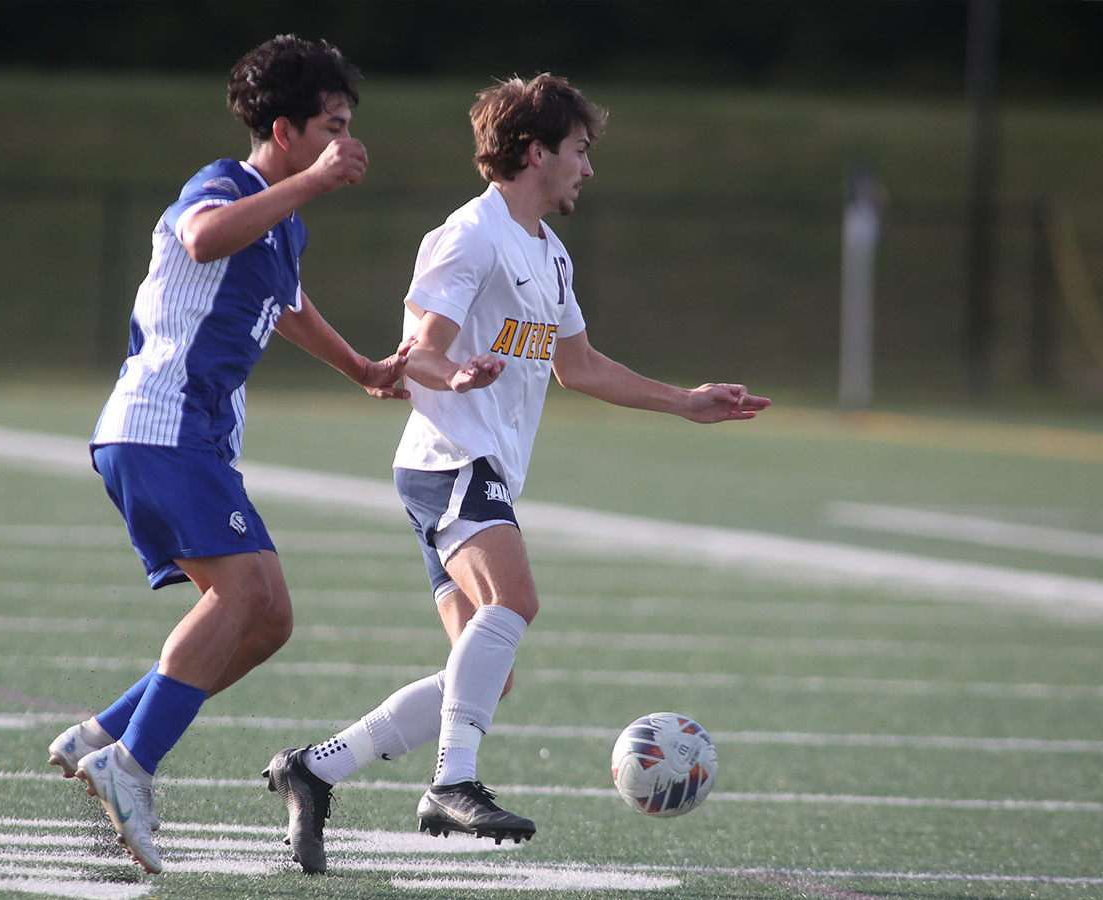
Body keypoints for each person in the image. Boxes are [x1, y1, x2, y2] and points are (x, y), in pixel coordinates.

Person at [263, 73, 770, 874]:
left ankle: (314, 768)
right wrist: (453, 373)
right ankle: (451, 783)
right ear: (534, 151)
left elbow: (582, 367)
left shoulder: (549, 254)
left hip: (475, 469)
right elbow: (418, 349)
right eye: (579, 150)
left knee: (482, 680)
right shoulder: (471, 235)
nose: (587, 169)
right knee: (517, 601)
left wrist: (686, 401)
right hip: (450, 462)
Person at [44, 35, 411, 875]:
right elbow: (204, 240)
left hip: (191, 436)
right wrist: (311, 183)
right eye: (332, 124)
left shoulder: (281, 222)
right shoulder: (225, 184)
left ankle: (104, 732)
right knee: (243, 592)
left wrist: (363, 368)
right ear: (283, 130)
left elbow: (290, 307)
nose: (346, 140)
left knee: (268, 616)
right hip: (162, 426)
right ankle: (130, 766)